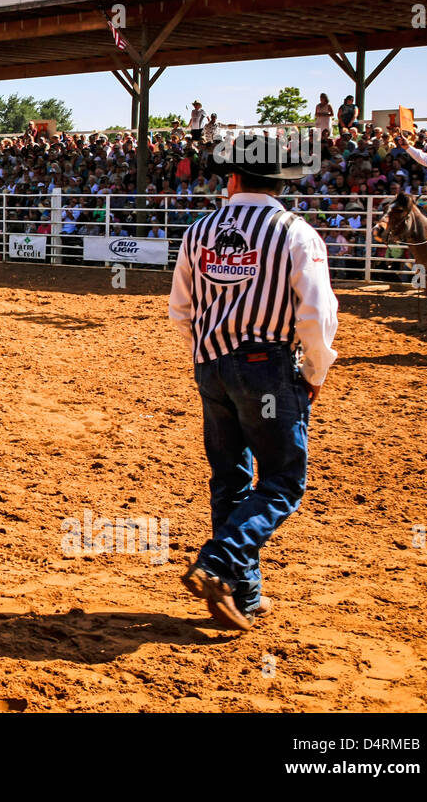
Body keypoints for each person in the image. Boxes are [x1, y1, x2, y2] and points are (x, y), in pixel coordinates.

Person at [168, 134, 338, 632]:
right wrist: (314, 372)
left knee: (230, 477)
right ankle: (219, 565)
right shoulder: (296, 233)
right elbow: (317, 315)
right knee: (283, 480)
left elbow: (181, 309)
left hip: (211, 364)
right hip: (266, 366)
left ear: (234, 179)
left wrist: (206, 351)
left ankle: (243, 593)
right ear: (277, 181)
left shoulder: (200, 230)